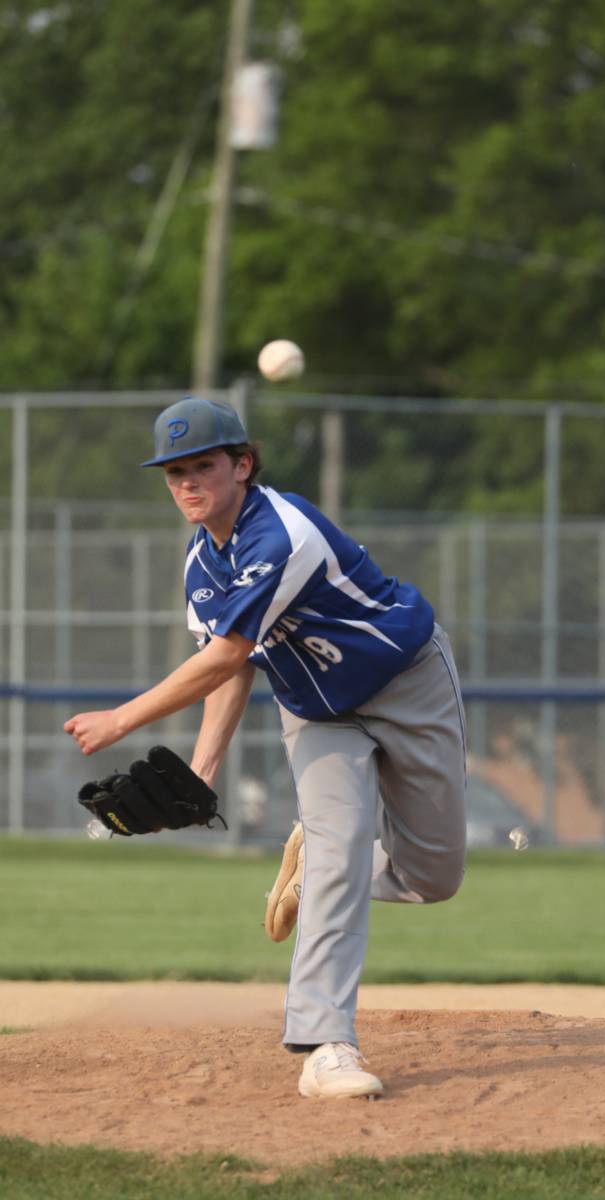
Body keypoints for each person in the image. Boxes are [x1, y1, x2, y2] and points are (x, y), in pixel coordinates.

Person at [64, 396, 467, 1099]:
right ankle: (325, 1045)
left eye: (204, 466)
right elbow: (237, 669)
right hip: (319, 714)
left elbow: (227, 655)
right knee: (341, 851)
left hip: (408, 683)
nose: (188, 482)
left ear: (242, 465)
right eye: (174, 472)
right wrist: (203, 768)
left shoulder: (281, 534)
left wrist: (123, 719)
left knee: (434, 876)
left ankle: (317, 869)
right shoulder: (200, 563)